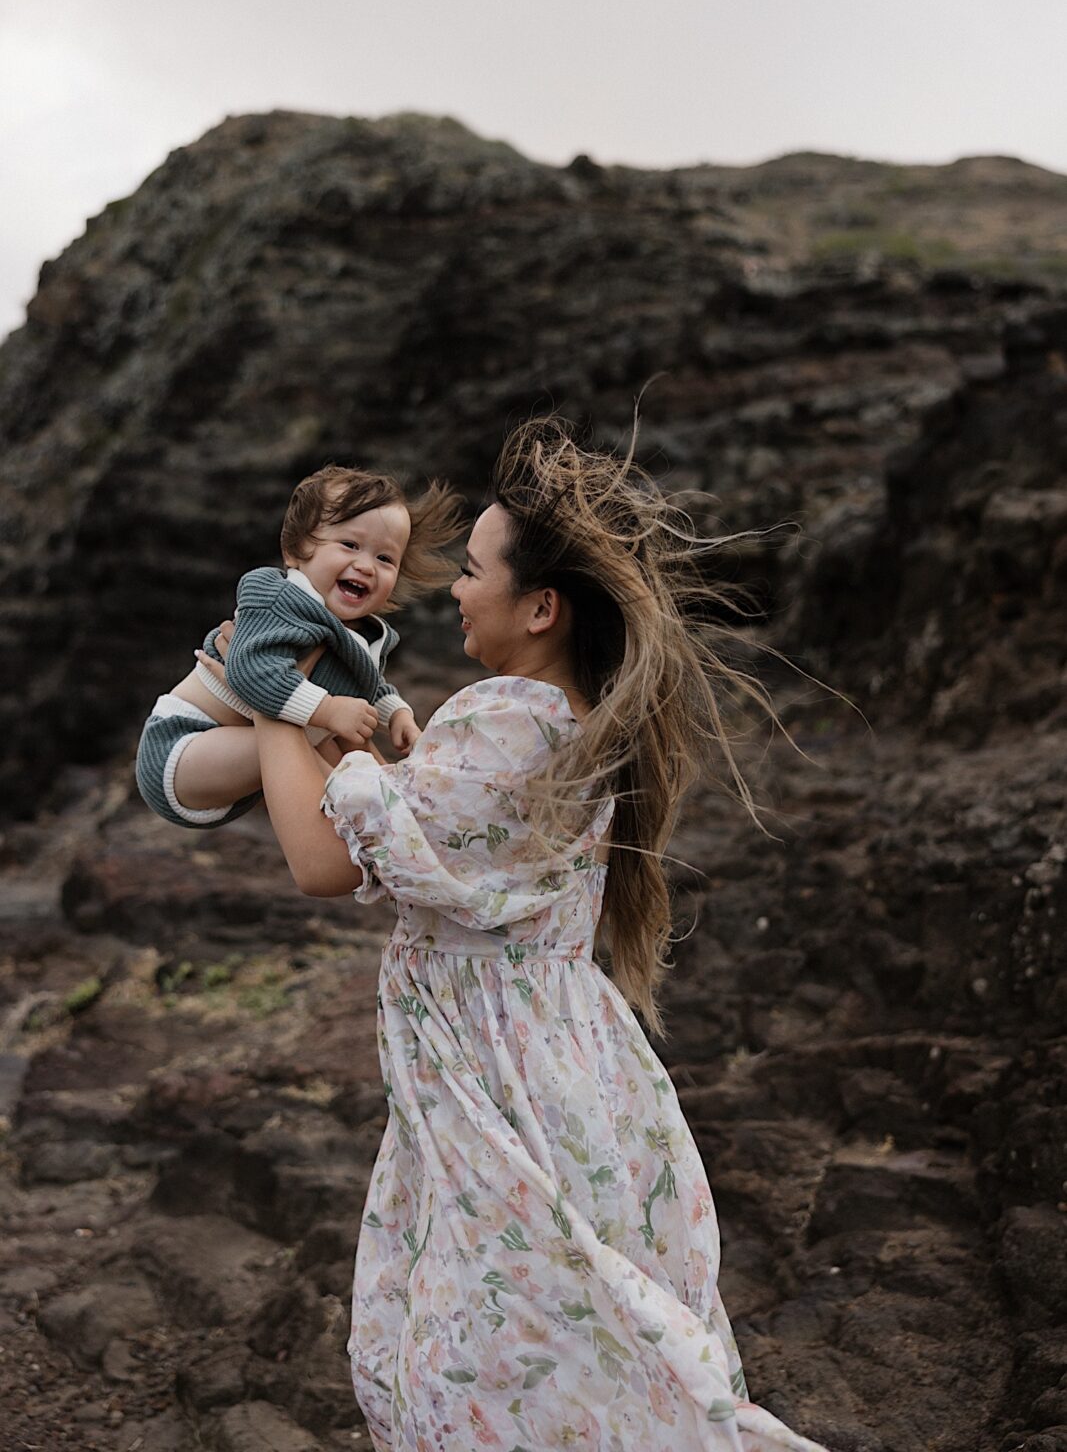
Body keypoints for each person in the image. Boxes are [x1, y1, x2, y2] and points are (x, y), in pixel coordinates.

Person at [219, 418, 830, 1451]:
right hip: (552, 1059)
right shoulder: (566, 722)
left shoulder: (502, 720)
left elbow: (323, 863)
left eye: (470, 570)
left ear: (540, 607)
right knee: (556, 1341)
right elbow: (400, 822)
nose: (452, 591)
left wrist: (271, 685)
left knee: (477, 1354)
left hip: (500, 1078)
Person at [135, 464, 463, 829]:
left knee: (336, 762)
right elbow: (250, 669)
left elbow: (365, 683)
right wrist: (327, 709)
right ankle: (387, 819)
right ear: (295, 550)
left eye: (385, 558)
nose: (367, 566)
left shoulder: (357, 633)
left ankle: (393, 821)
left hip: (237, 765)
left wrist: (396, 715)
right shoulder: (280, 599)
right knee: (331, 761)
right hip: (183, 744)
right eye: (350, 545)